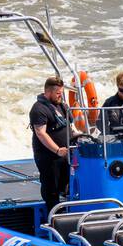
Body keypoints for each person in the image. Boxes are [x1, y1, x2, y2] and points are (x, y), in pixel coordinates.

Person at [29, 76, 81, 213]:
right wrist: (57, 150)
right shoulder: (38, 109)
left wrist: (80, 136)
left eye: (62, 93)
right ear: (48, 92)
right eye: (58, 93)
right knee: (51, 187)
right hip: (48, 156)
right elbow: (41, 133)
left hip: (66, 154)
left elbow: (70, 126)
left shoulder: (62, 106)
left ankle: (68, 211)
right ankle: (54, 217)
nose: (60, 96)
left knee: (66, 184)